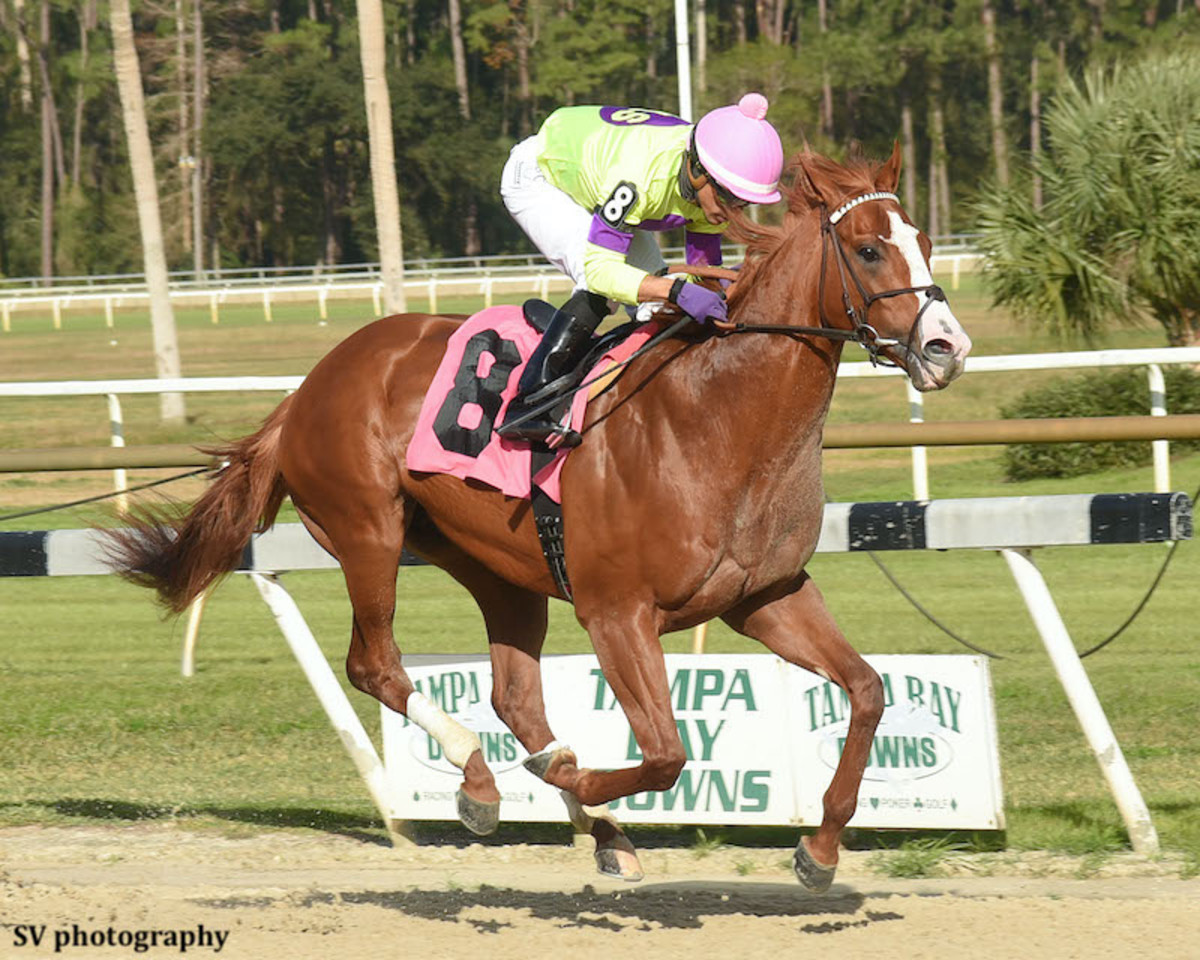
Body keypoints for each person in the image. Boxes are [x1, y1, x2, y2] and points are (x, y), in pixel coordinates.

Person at [496, 93, 785, 444]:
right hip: (543, 179)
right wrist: (677, 290)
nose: (735, 211)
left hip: (596, 178)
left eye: (744, 202)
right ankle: (527, 404)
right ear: (697, 173)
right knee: (602, 286)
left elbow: (702, 269)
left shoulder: (709, 175)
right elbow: (603, 271)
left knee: (653, 301)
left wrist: (722, 286)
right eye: (729, 197)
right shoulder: (639, 179)